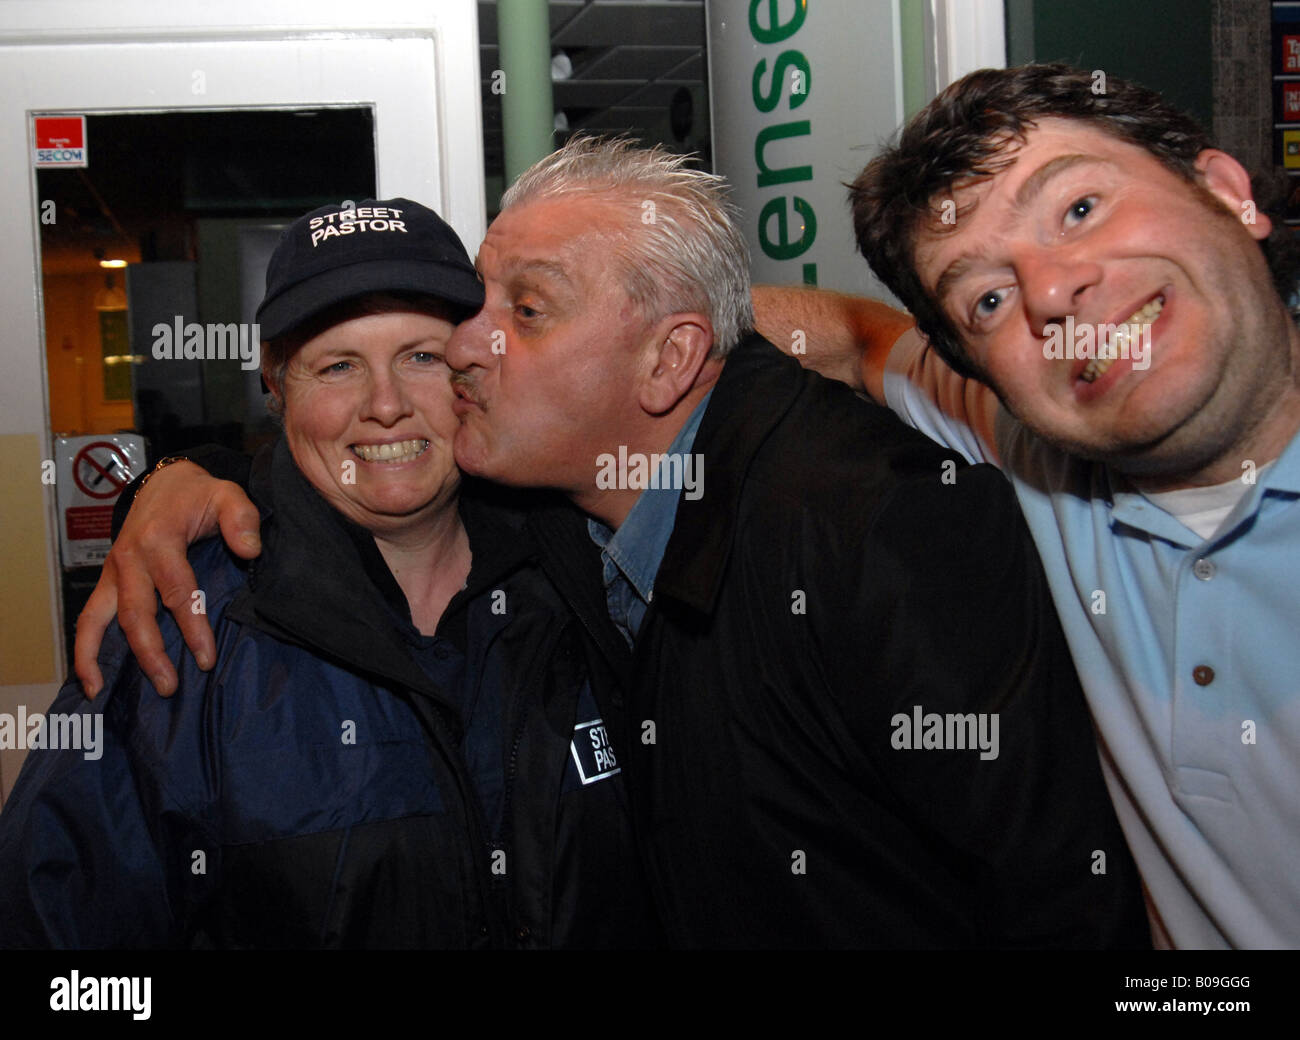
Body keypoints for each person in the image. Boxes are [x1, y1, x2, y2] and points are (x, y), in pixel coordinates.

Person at [77, 143, 1149, 949]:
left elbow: (1055, 893)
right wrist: (178, 480)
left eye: (524, 310)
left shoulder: (867, 527)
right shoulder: (549, 519)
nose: (462, 346)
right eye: (333, 366)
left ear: (665, 365)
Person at [0, 198, 657, 949]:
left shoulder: (591, 573)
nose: (386, 406)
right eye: (338, 366)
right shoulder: (182, 626)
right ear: (277, 388)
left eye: (423, 358)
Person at [752, 63, 1300, 949]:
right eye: (989, 299)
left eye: (1079, 208)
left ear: (1226, 193)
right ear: (984, 375)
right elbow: (854, 340)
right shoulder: (1035, 448)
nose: (1051, 293)